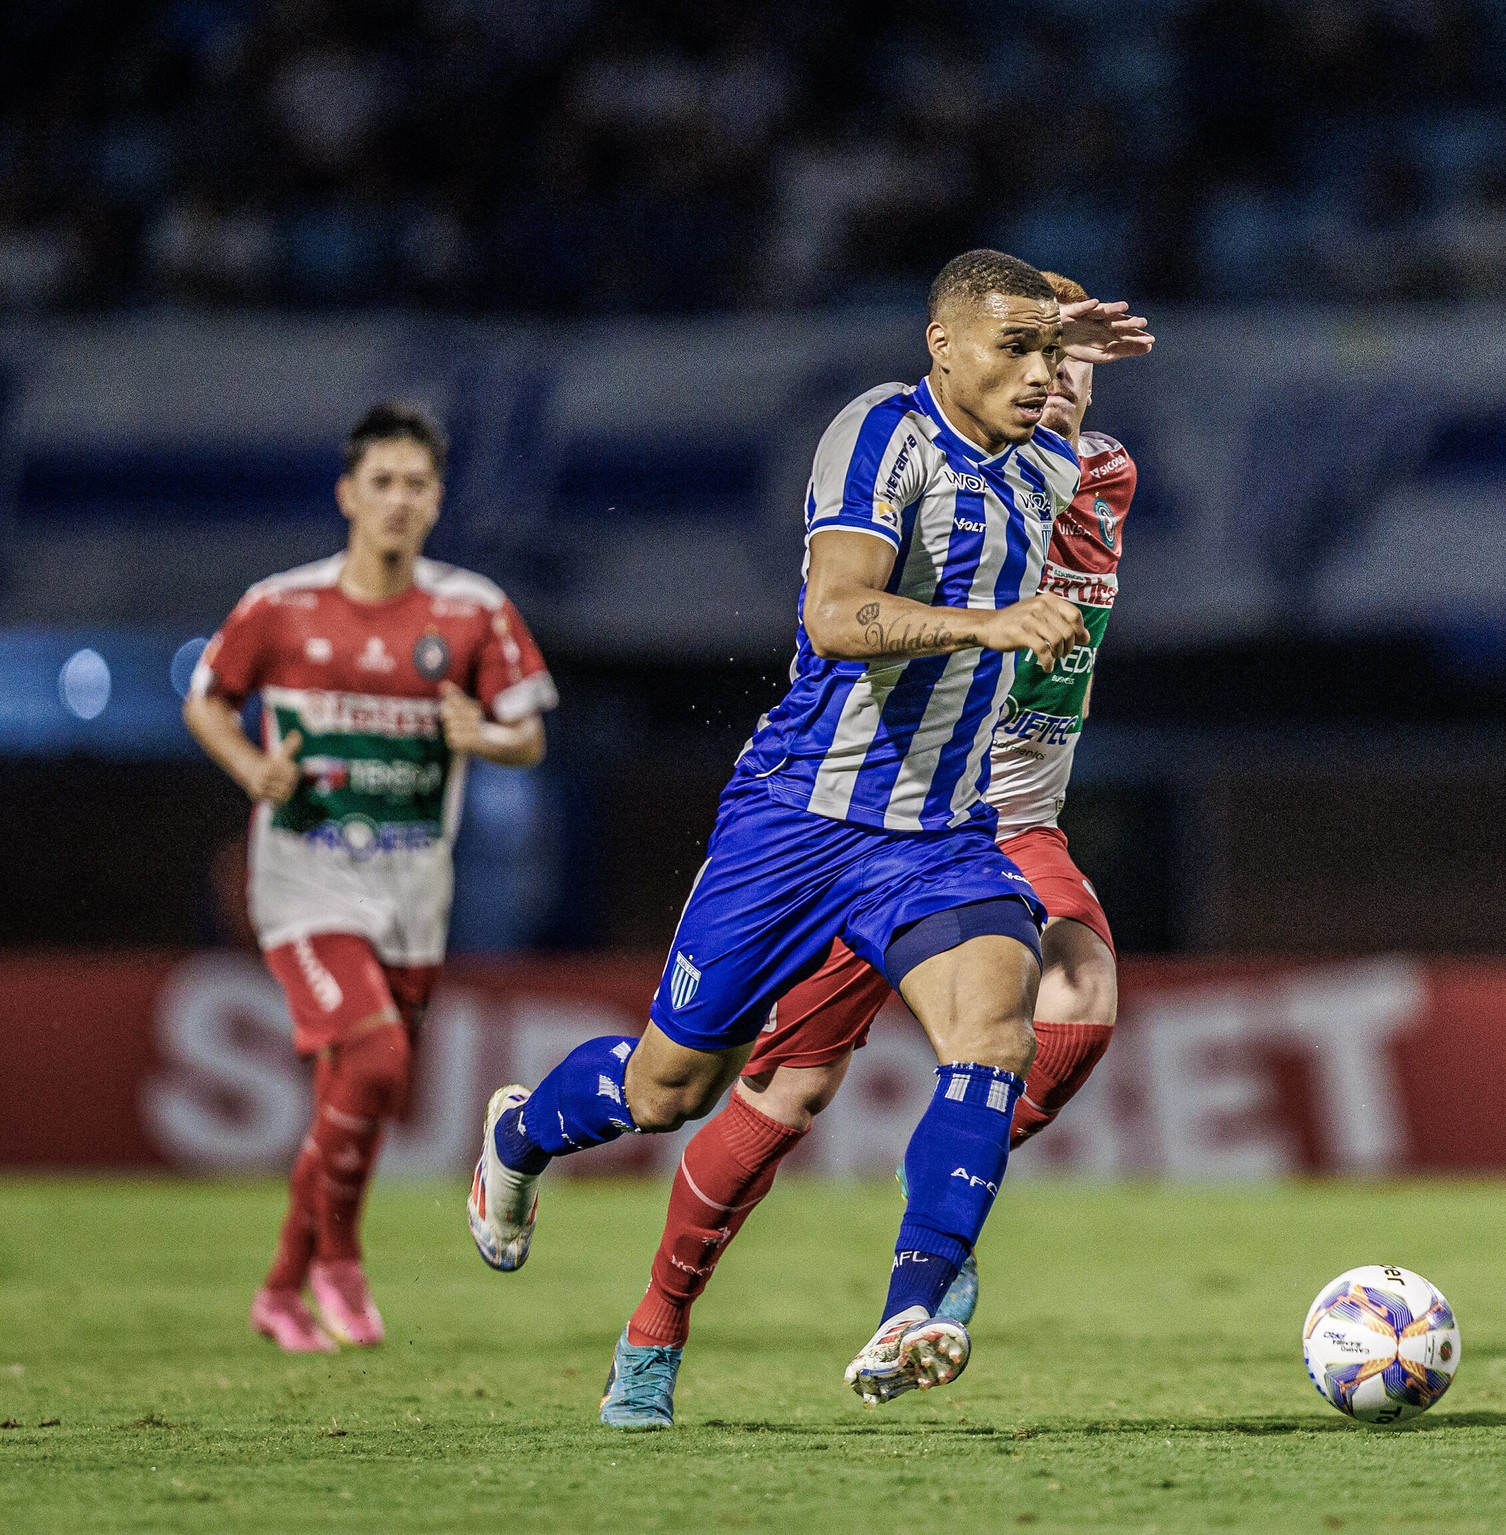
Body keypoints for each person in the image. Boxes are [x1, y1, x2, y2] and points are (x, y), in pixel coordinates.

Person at [464, 250, 1152, 1413]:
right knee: (671, 1086)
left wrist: (1046, 337)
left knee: (996, 1030)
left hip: (942, 834)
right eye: (1015, 352)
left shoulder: (1068, 461)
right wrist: (988, 625)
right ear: (939, 347)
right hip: (797, 820)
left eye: (1055, 359)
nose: (1044, 379)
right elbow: (835, 616)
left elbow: (1054, 404)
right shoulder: (879, 433)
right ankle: (523, 1134)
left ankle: (914, 1302)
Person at [185, 402, 556, 1353]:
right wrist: (249, 768)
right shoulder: (281, 606)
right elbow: (207, 701)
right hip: (302, 883)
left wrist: (489, 736)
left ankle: (279, 1288)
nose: (397, 500)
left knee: (352, 1095)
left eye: (416, 484)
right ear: (349, 494)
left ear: (436, 501)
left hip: (412, 897)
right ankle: (340, 1264)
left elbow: (529, 731)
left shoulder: (472, 609)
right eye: (381, 482)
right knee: (379, 1058)